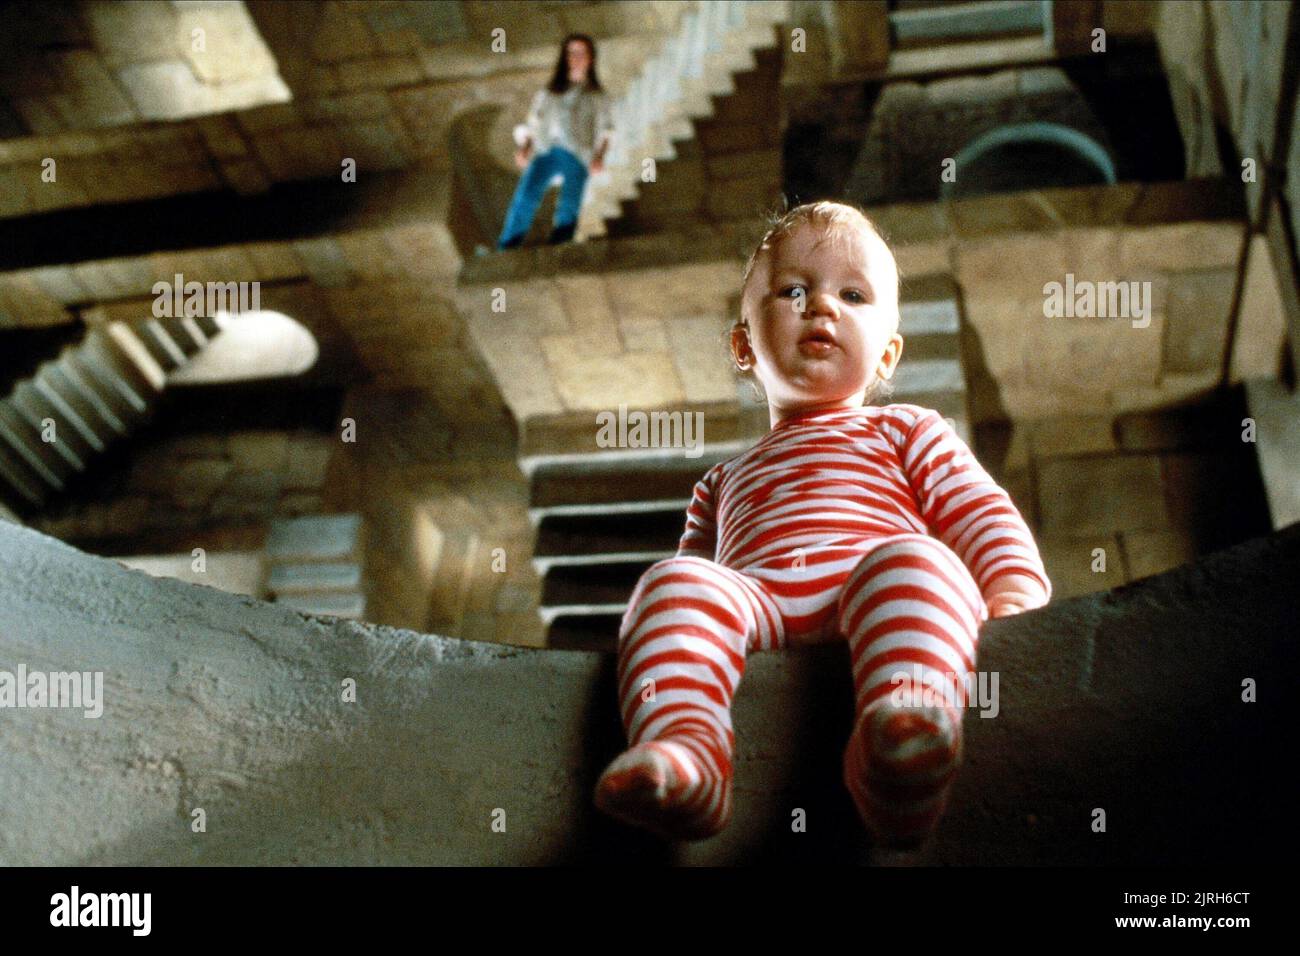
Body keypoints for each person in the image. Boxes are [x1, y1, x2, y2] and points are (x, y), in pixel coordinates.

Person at [592, 200, 1052, 850]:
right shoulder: (720, 481)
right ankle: (688, 751)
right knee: (670, 583)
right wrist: (676, 618)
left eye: (854, 293)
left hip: (869, 587)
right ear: (743, 343)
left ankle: (900, 736)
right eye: (794, 289)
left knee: (922, 563)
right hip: (760, 605)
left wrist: (1013, 589)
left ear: (888, 355)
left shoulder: (905, 427)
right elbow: (691, 587)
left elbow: (976, 509)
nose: (823, 306)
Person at [496, 33, 614, 250]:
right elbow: (534, 121)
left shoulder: (597, 96)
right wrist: (525, 147)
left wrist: (599, 156)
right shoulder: (549, 92)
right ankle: (508, 245)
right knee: (525, 196)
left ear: (591, 58)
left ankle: (560, 244)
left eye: (581, 53)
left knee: (569, 203)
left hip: (578, 153)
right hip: (547, 150)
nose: (576, 58)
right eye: (571, 53)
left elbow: (606, 130)